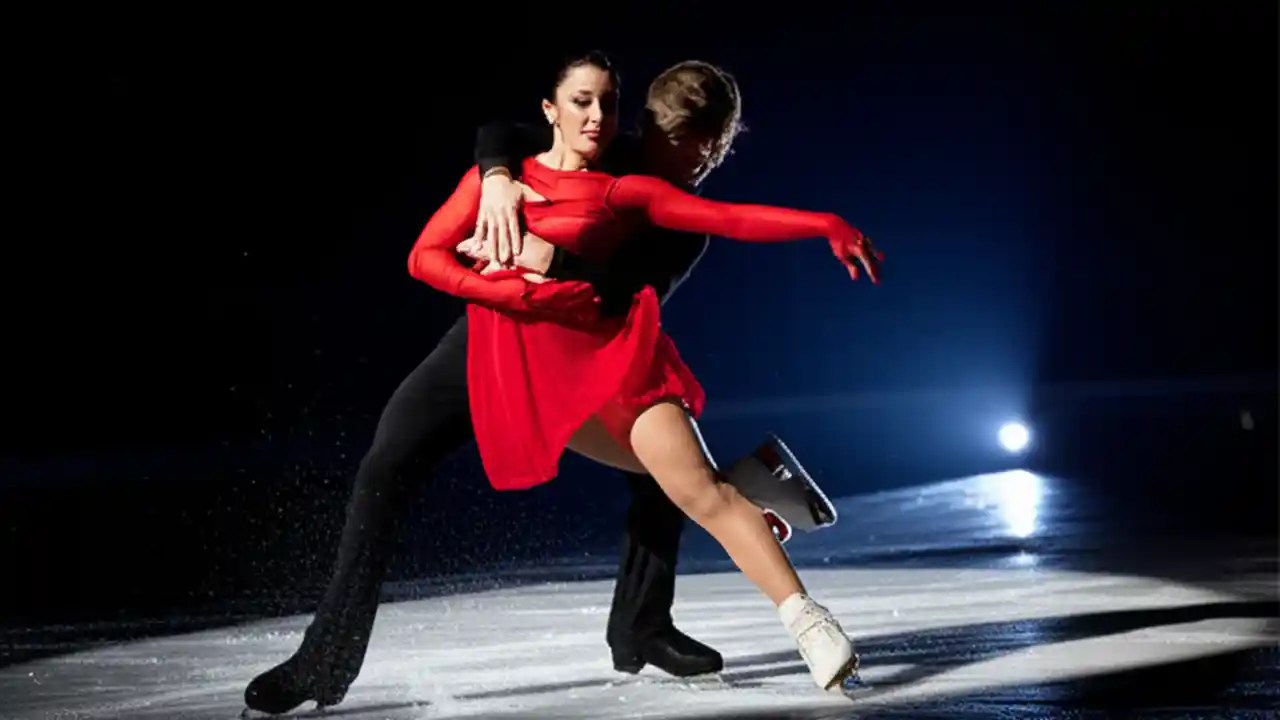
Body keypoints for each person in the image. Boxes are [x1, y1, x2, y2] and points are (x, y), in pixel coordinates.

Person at [242, 58, 835, 716]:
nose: (700, 158)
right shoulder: (597, 141)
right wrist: (497, 178)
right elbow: (500, 134)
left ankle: (644, 622)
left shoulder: (675, 215)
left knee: (664, 470)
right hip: (488, 338)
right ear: (649, 127)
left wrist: (549, 259)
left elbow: (624, 296)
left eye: (714, 146)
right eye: (686, 140)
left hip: (581, 348)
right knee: (384, 468)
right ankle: (323, 662)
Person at [407, 51, 878, 691]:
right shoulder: (517, 172)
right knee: (681, 484)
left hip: (613, 354)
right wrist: (496, 229)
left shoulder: (625, 190)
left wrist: (826, 223)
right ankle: (739, 496)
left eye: (714, 147)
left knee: (696, 491)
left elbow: (719, 225)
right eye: (580, 104)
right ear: (556, 111)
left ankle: (811, 628)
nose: (592, 119)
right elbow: (428, 250)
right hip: (533, 369)